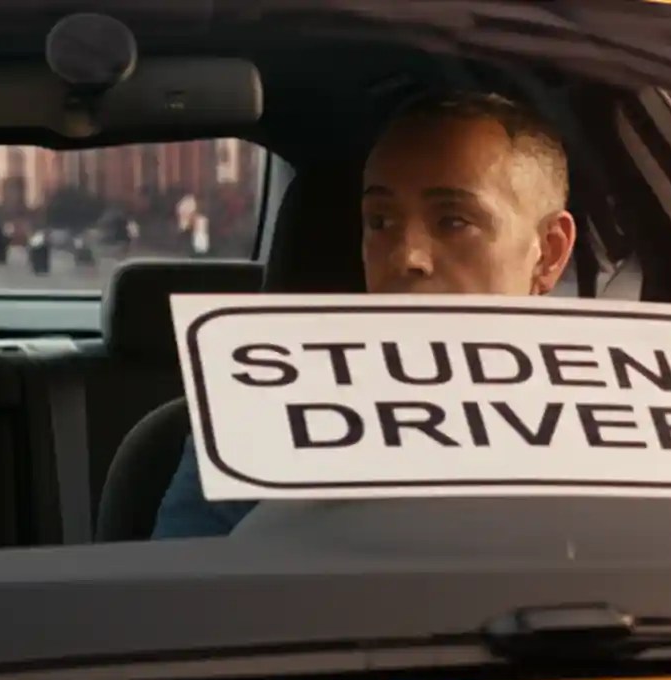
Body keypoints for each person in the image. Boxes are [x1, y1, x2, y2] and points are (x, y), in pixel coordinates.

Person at [151, 90, 578, 539]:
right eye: (380, 222)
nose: (405, 256)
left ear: (548, 252)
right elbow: (173, 597)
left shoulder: (623, 425)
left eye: (453, 221)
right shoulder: (253, 423)